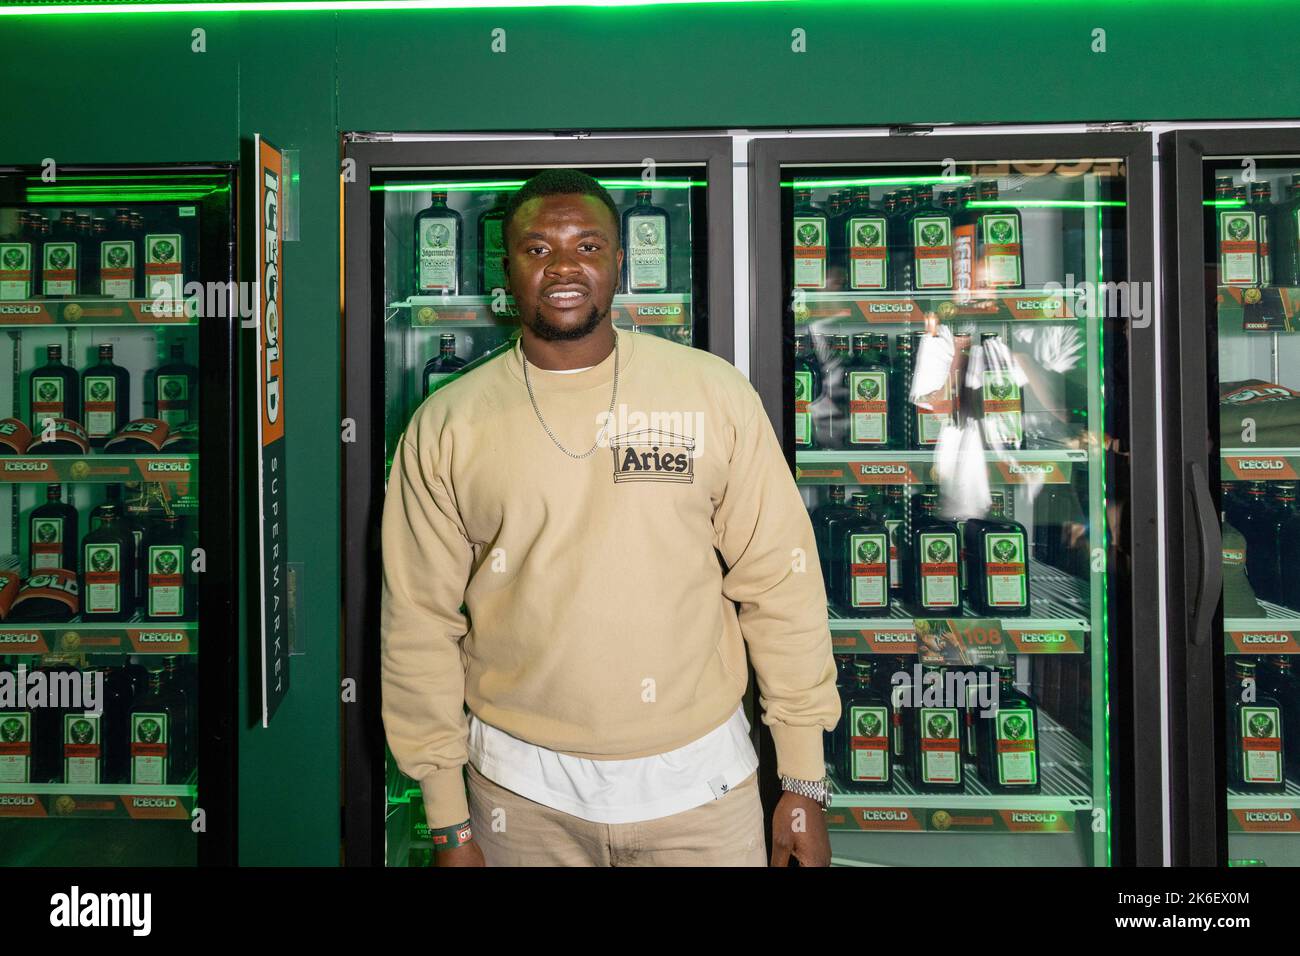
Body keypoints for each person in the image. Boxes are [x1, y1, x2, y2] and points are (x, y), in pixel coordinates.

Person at [381, 169, 839, 867]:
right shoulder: (447, 423)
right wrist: (448, 820)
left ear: (620, 263)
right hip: (521, 801)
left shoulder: (711, 393)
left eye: (587, 246)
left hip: (703, 793)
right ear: (505, 267)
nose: (564, 266)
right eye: (537, 249)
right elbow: (418, 623)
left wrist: (803, 778)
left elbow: (780, 584)